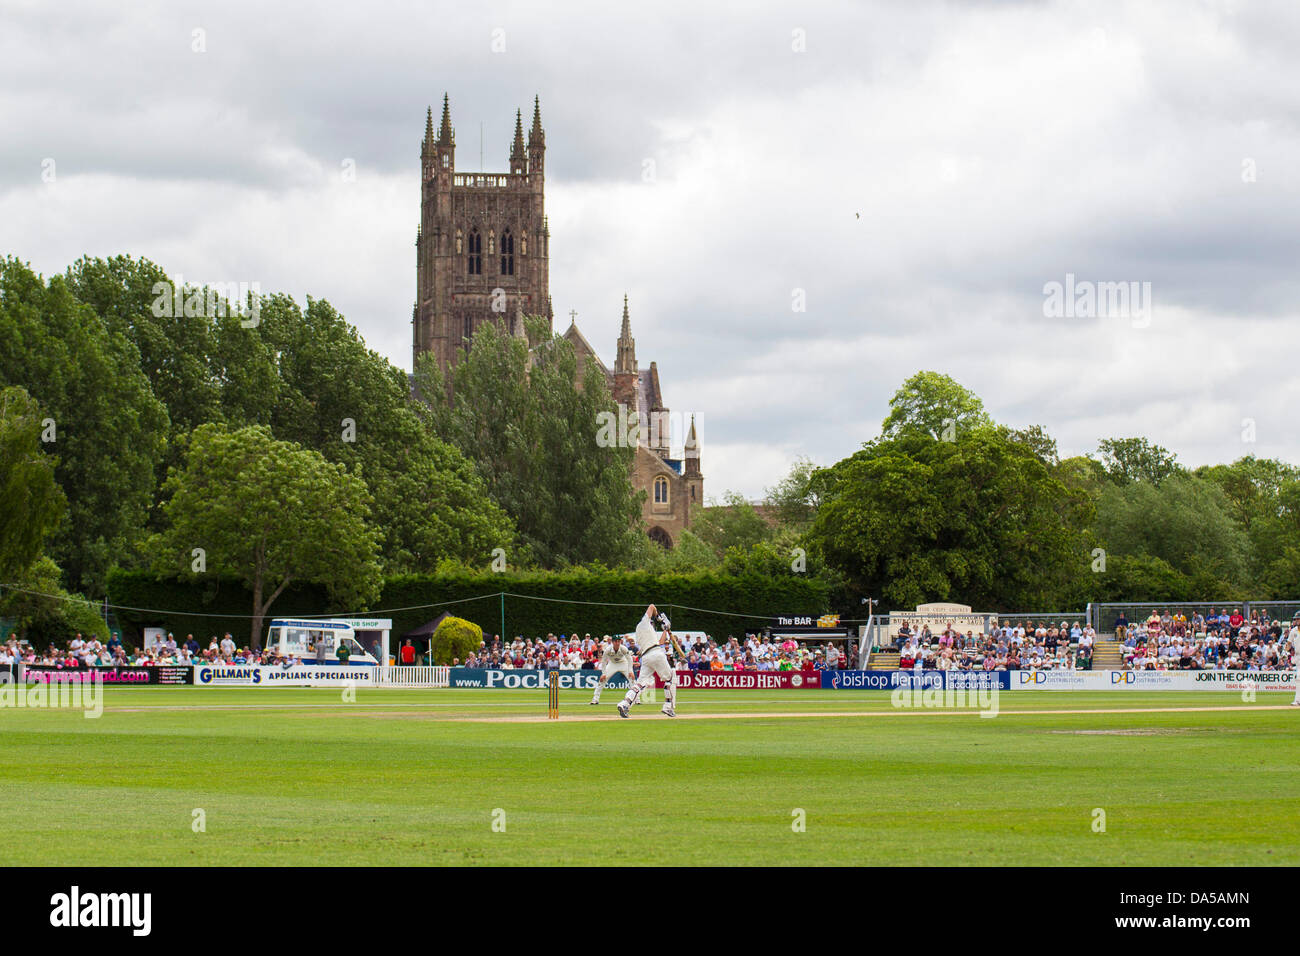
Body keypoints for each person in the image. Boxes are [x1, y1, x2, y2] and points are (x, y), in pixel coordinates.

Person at [617, 604, 678, 718]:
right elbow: (652, 606)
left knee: (640, 683)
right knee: (670, 678)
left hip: (646, 657)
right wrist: (660, 618)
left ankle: (625, 704)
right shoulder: (645, 622)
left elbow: (659, 642)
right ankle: (668, 707)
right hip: (656, 653)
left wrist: (665, 630)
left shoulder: (639, 633)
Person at [590, 635, 639, 706]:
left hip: (623, 663)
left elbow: (629, 659)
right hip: (612, 664)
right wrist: (603, 673)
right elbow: (603, 661)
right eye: (616, 641)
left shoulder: (623, 648)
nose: (617, 643)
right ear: (612, 642)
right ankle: (595, 699)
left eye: (619, 641)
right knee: (602, 680)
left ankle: (637, 699)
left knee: (632, 679)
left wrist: (631, 671)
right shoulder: (608, 649)